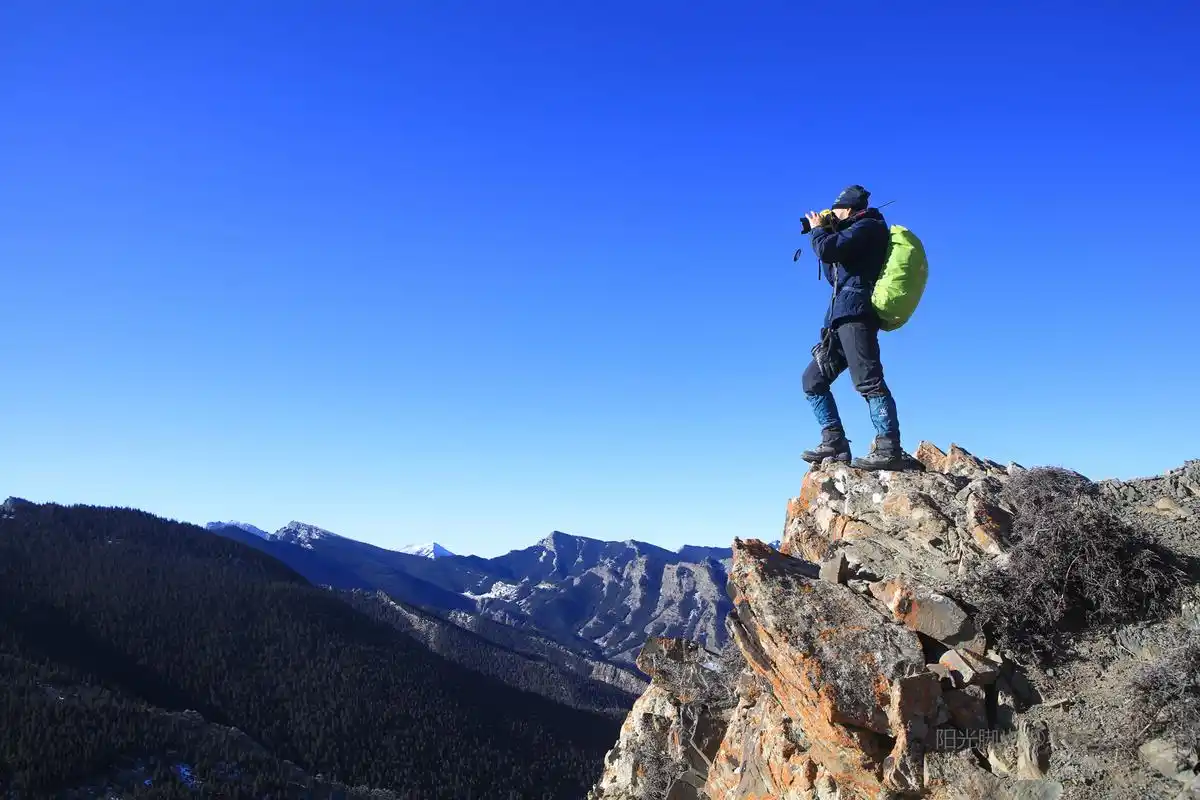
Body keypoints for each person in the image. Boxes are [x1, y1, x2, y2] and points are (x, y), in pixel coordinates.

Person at [799, 184, 907, 471]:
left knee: (868, 380)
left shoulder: (869, 227)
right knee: (812, 380)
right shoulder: (850, 232)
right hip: (838, 317)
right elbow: (832, 266)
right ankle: (834, 442)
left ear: (848, 208)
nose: (831, 214)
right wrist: (830, 229)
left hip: (857, 314)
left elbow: (827, 250)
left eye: (836, 209)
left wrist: (820, 230)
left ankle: (889, 448)